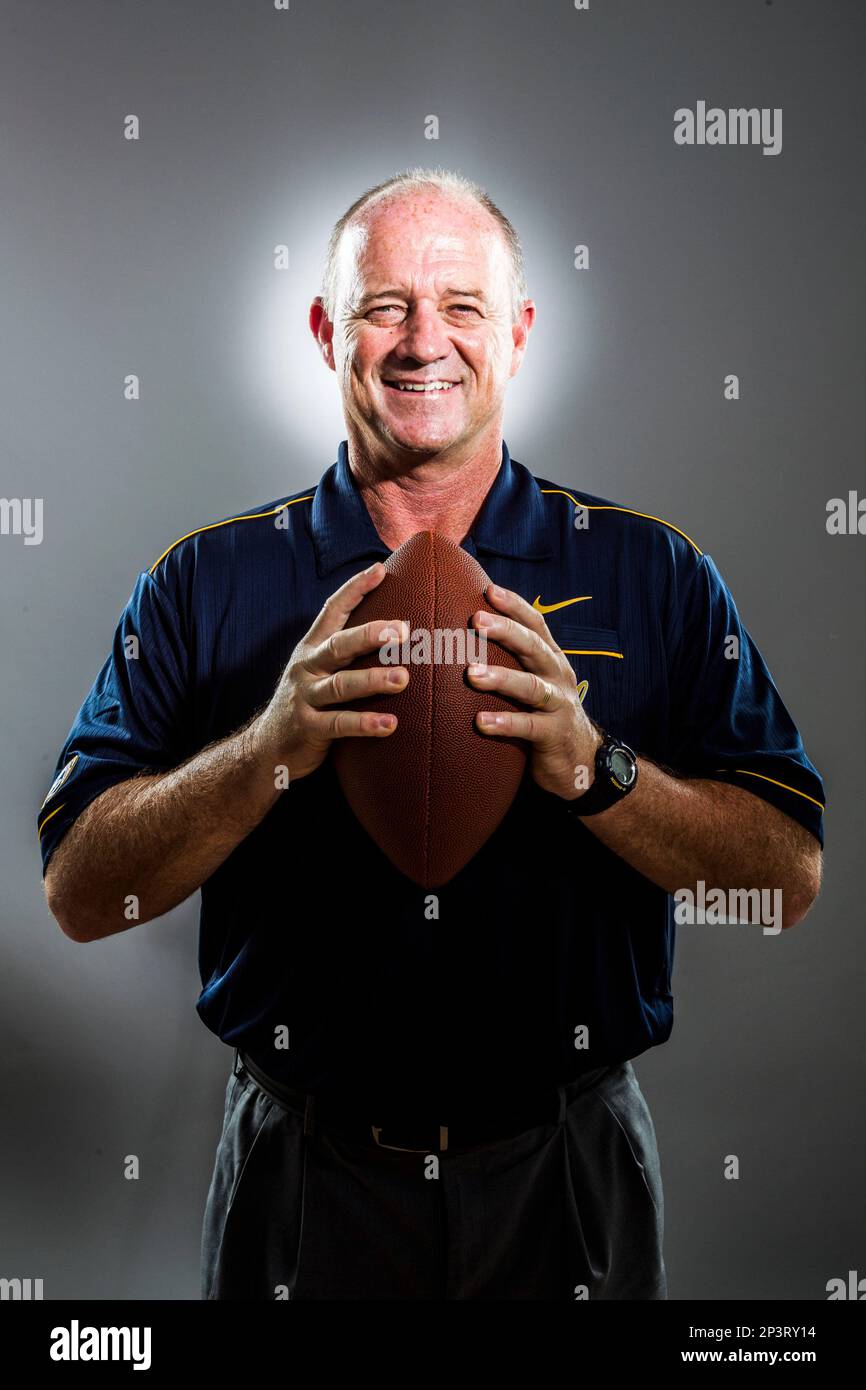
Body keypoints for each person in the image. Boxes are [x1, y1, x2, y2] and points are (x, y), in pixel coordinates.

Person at [38, 167, 824, 1301]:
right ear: (323, 331)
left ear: (517, 330)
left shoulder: (646, 571)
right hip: (305, 1165)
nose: (423, 342)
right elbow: (78, 891)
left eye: (460, 305)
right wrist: (269, 746)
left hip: (564, 1161)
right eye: (382, 306)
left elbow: (786, 877)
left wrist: (594, 770)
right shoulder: (206, 579)